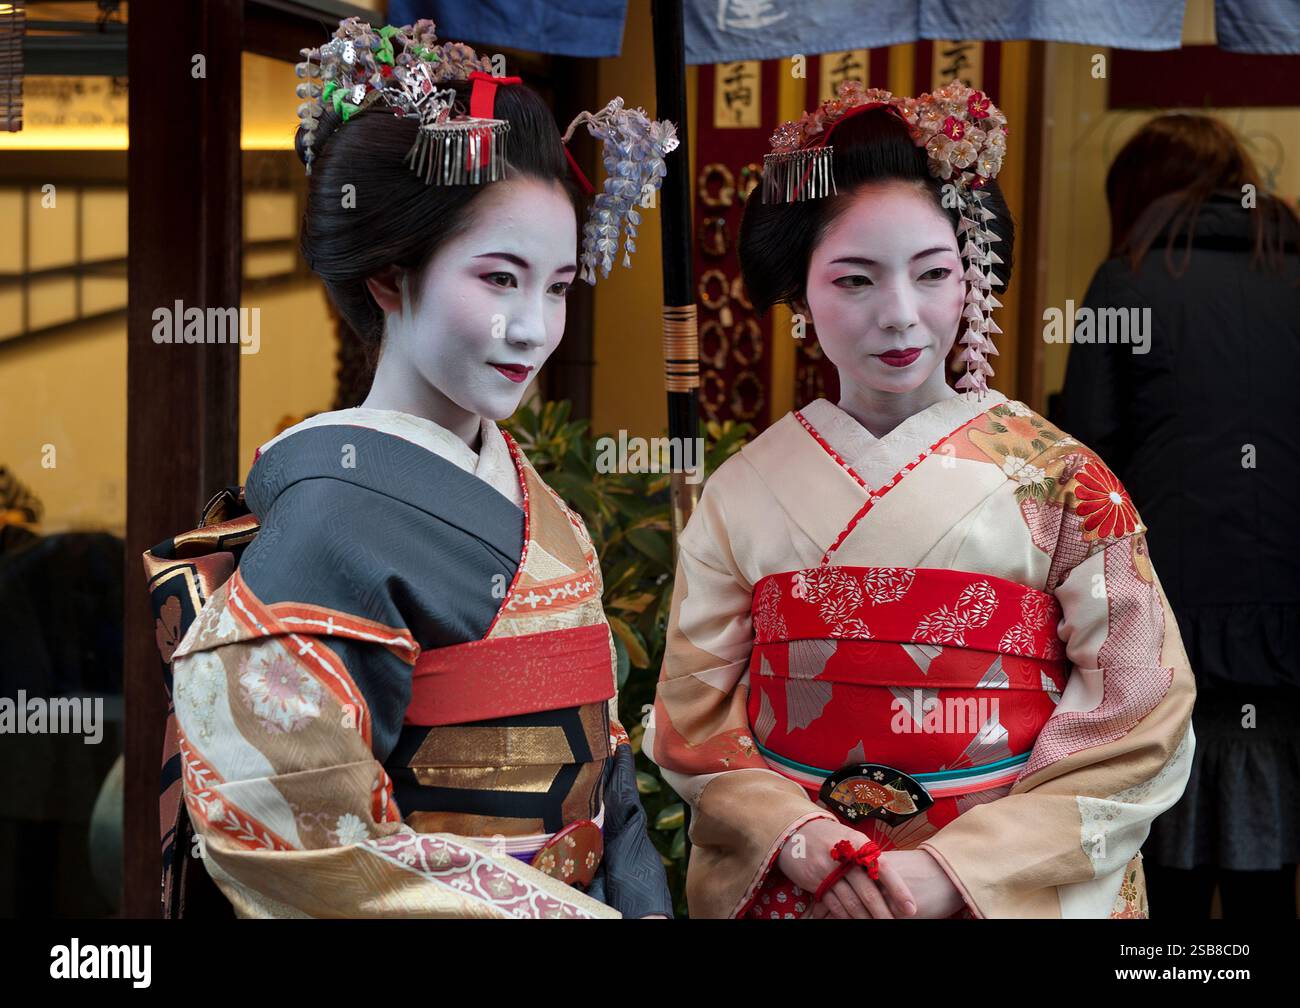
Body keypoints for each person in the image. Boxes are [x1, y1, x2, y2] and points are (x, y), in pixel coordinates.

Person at [158, 18, 675, 919]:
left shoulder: (540, 504)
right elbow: (302, 837)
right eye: (499, 278)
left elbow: (608, 771)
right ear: (392, 278)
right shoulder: (327, 519)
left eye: (556, 287)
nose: (535, 327)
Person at [644, 81, 1195, 919]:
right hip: (808, 889)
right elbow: (696, 719)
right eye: (854, 280)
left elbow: (1139, 711)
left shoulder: (1063, 478)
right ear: (800, 293)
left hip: (995, 891)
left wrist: (959, 868)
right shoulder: (743, 492)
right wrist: (802, 840)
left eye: (934, 274)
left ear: (972, 277)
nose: (900, 317)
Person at [1058, 114, 1300, 919]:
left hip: (1169, 620)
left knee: (1167, 872)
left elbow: (1083, 472)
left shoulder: (1121, 280)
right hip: (1290, 633)